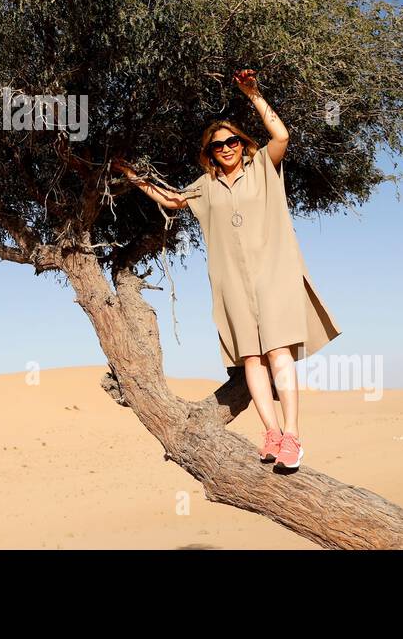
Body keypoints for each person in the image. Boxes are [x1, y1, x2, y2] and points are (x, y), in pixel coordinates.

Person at [112, 69, 341, 470]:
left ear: (242, 143)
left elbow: (282, 136)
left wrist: (253, 94)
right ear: (210, 153)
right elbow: (170, 200)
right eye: (218, 145)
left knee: (278, 353)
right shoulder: (203, 186)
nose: (227, 148)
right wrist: (130, 175)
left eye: (232, 140)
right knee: (250, 359)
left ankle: (292, 436)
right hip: (231, 281)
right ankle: (270, 433)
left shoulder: (262, 168)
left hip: (273, 274)